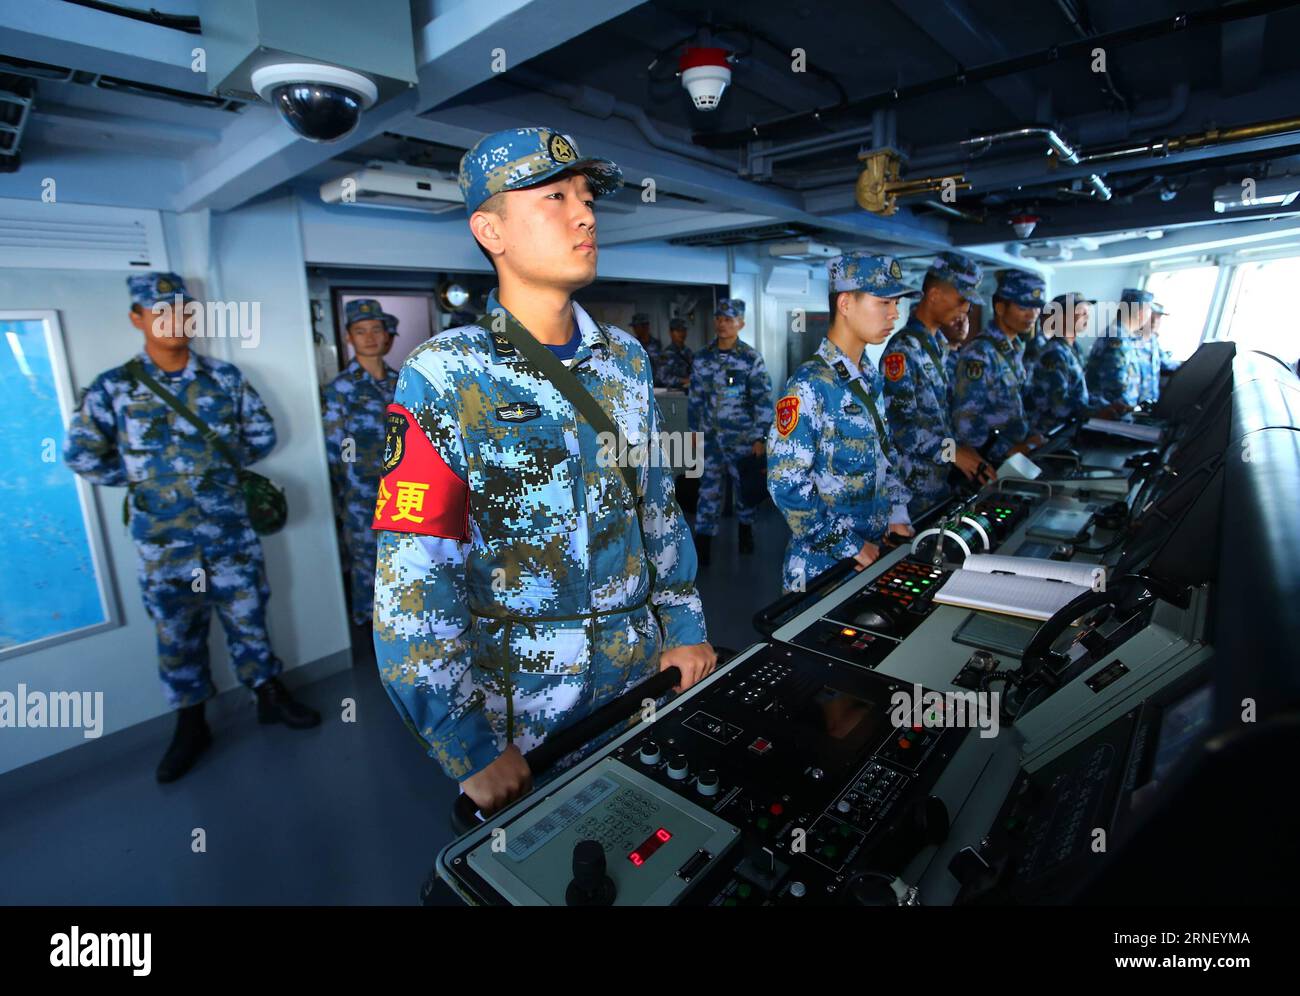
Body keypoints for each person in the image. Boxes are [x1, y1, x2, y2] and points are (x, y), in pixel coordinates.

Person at [372, 126, 715, 817]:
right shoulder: (444, 374)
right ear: (490, 230)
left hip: (636, 684)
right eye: (554, 196)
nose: (584, 213)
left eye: (586, 196)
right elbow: (414, 576)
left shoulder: (625, 361)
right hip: (522, 713)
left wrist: (683, 628)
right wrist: (465, 743)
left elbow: (656, 508)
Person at [63, 272, 319, 784]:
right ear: (137, 318)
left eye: (181, 309)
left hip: (229, 535)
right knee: (176, 633)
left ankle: (269, 694)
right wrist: (151, 484)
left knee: (249, 617)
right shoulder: (114, 388)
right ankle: (191, 722)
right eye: (158, 311)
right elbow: (82, 456)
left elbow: (261, 436)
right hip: (164, 546)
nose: (173, 319)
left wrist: (212, 478)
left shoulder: (225, 378)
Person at [767, 253, 916, 594]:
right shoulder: (810, 384)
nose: (894, 313)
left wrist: (897, 512)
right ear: (846, 303)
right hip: (825, 569)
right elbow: (785, 485)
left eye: (895, 303)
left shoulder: (867, 376)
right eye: (884, 302)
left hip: (872, 554)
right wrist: (850, 545)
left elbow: (883, 457)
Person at [880, 251, 996, 518]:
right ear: (933, 295)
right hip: (910, 494)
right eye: (961, 300)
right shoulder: (903, 350)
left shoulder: (937, 347)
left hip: (936, 485)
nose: (966, 309)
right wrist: (953, 452)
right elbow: (901, 428)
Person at [322, 298, 400, 632]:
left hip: (403, 491)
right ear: (349, 338)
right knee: (368, 565)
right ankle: (369, 630)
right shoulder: (340, 389)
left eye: (375, 329)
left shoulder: (402, 381)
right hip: (361, 497)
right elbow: (332, 450)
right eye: (360, 331)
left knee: (402, 561)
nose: (369, 337)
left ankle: (400, 625)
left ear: (386, 335)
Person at [688, 298, 773, 562]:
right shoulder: (702, 357)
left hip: (743, 440)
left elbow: (763, 400)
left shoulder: (750, 358)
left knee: (744, 492)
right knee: (708, 492)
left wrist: (761, 437)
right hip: (711, 439)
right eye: (719, 318)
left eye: (729, 319)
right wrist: (693, 431)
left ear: (741, 323)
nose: (722, 324)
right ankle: (703, 548)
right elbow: (696, 397)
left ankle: (746, 537)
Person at [951, 269, 1046, 464]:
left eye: (1036, 308)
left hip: (1018, 453)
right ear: (1001, 308)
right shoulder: (980, 354)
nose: (1033, 315)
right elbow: (966, 424)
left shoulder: (1015, 348)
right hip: (993, 462)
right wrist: (1007, 450)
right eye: (1023, 308)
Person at [1024, 291, 1095, 431]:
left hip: (1072, 426)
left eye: (1087, 311)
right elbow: (1058, 405)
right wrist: (1095, 412)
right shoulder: (1053, 354)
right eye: (1081, 312)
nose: (1087, 316)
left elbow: (1080, 391)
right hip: (1052, 431)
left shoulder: (1075, 348)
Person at [1085, 287, 1149, 412]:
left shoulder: (1121, 335)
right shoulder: (1118, 338)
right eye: (1149, 311)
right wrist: (1128, 411)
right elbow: (1114, 386)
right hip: (1111, 414)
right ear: (1140, 314)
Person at [658, 316, 693, 390]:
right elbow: (662, 378)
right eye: (678, 331)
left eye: (683, 330)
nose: (681, 334)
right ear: (671, 333)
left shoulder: (688, 352)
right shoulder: (666, 354)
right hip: (673, 394)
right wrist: (683, 380)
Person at [629, 313, 664, 382]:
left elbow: (660, 363)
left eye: (636, 326)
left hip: (657, 381)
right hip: (640, 381)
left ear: (645, 326)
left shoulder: (656, 343)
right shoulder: (633, 344)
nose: (634, 329)